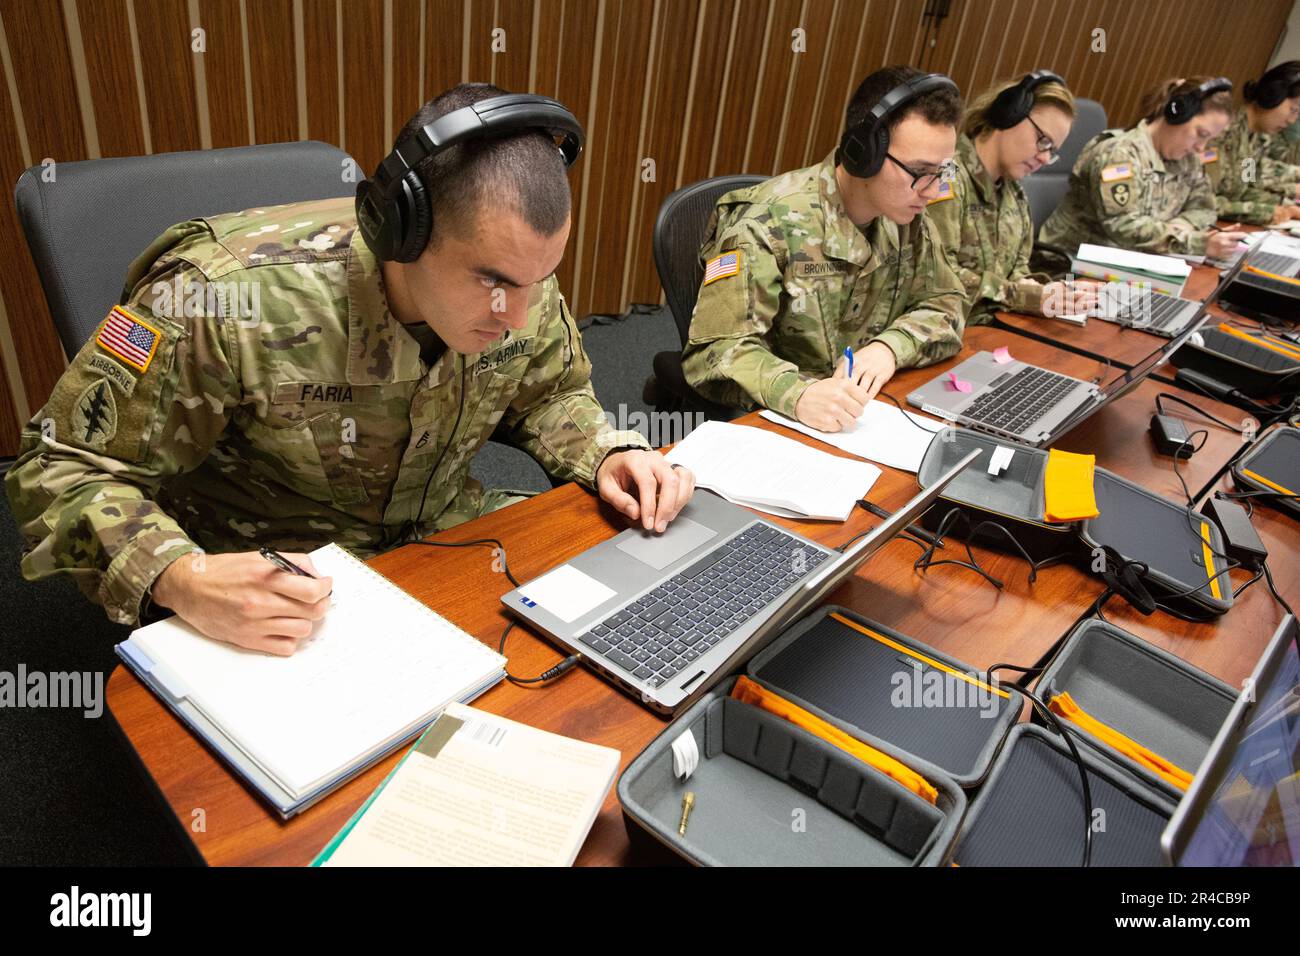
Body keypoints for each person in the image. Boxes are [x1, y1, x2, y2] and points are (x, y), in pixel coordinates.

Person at [4, 83, 696, 655]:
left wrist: (607, 453)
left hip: (443, 545)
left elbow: (549, 395)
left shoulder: (520, 278)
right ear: (400, 230)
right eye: (493, 281)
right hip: (283, 589)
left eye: (539, 279)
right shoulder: (220, 296)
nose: (517, 313)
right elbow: (56, 468)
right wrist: (178, 576)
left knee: (633, 642)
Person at [681, 66, 967, 433]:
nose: (933, 190)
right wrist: (797, 394)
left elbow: (947, 301)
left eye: (944, 171)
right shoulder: (766, 224)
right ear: (865, 153)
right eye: (921, 171)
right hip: (784, 425)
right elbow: (714, 352)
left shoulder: (907, 216)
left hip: (864, 414)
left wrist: (890, 348)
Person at [927, 70, 1096, 324]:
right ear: (1009, 113)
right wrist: (1021, 295)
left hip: (999, 328)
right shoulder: (947, 175)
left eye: (1052, 151)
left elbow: (1017, 269)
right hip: (949, 331)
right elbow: (938, 276)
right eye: (1043, 141)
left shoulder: (1014, 194)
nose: (1045, 158)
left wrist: (1059, 294)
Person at [1039, 77, 1245, 265]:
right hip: (1074, 265)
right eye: (1201, 134)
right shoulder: (1119, 154)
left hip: (1136, 262)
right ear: (1177, 113)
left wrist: (1179, 229)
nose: (1202, 147)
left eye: (1210, 139)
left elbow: (1205, 209)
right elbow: (1123, 226)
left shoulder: (1187, 160)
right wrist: (1196, 243)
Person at [1208, 62, 1300, 224]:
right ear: (1272, 95)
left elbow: (1243, 190)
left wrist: (1286, 207)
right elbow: (1204, 202)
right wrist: (1262, 212)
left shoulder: (1256, 139)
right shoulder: (1219, 134)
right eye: (1293, 110)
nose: (1292, 121)